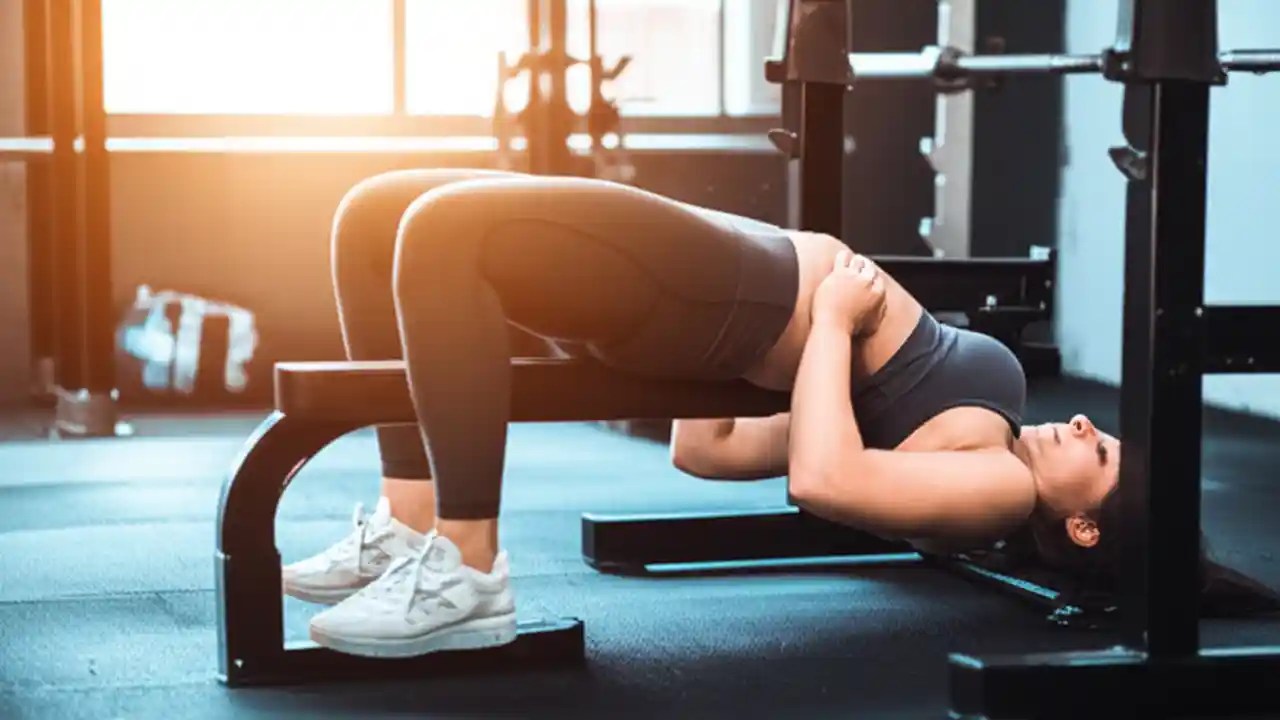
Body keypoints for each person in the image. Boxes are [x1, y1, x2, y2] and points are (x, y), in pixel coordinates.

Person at [281, 169, 1122, 659]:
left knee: (436, 231)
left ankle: (467, 570)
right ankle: (412, 520)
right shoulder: (969, 430)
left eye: (1104, 454)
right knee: (372, 215)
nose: (1086, 426)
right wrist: (803, 347)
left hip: (737, 293)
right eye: (1100, 427)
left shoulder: (1000, 491)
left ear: (1085, 527)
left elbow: (824, 480)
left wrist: (828, 321)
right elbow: (705, 446)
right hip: (735, 271)